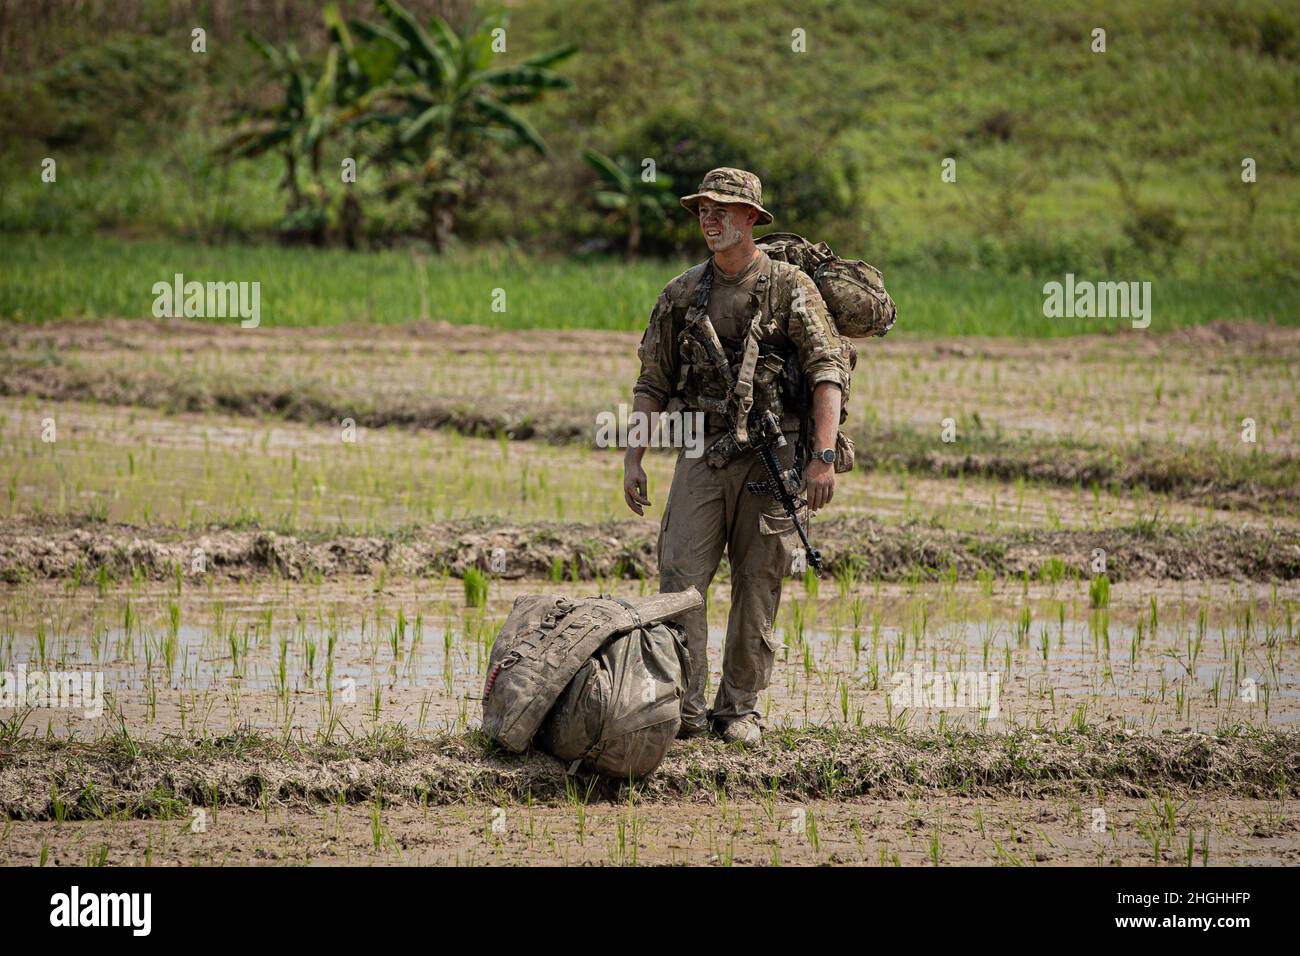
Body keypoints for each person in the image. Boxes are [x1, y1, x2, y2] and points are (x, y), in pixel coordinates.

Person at [622, 167, 849, 744]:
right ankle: (688, 711)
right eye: (703, 208)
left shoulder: (789, 286)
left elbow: (827, 371)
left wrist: (821, 457)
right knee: (680, 579)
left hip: (774, 457)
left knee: (758, 582)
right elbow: (652, 380)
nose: (710, 218)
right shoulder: (680, 292)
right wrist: (633, 458)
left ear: (752, 218)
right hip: (701, 447)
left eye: (722, 208)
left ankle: (739, 709)